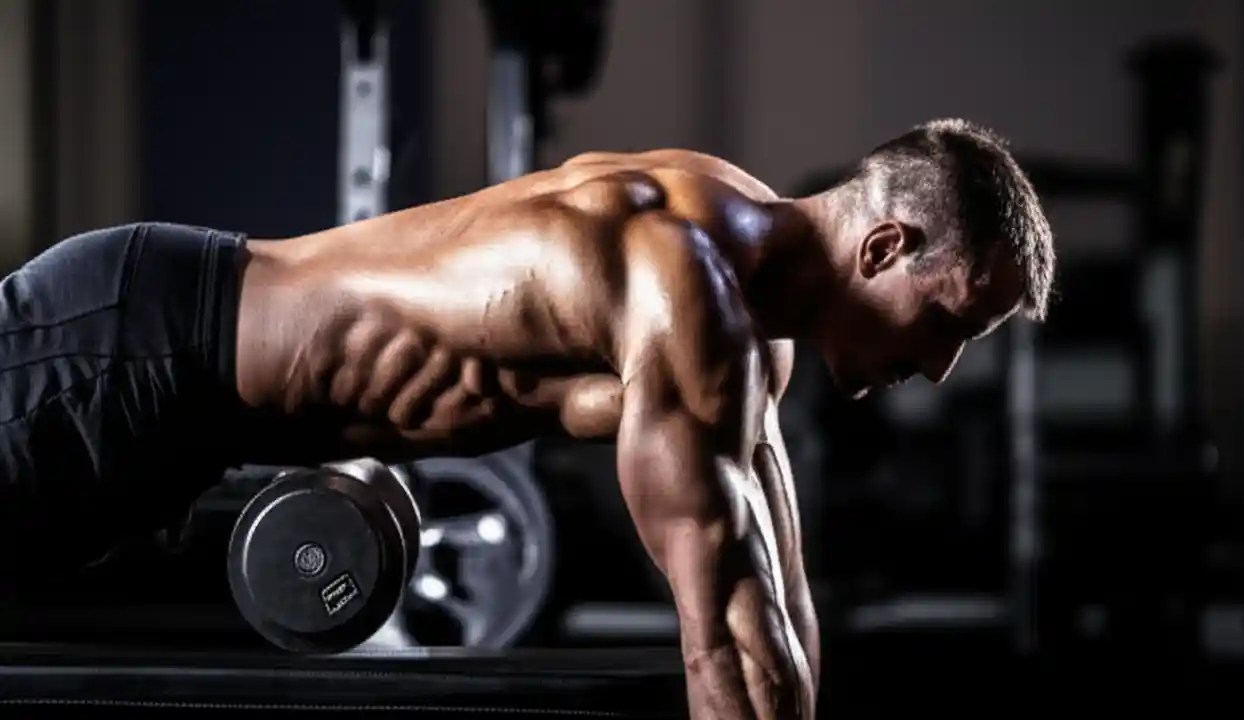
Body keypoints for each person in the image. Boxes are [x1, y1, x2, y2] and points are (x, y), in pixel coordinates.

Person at [0, 117, 1054, 719]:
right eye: (945, 319)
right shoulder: (685, 286)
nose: (938, 364)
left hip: (173, 396)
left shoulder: (748, 299)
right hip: (135, 350)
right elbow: (726, 651)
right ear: (881, 250)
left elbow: (776, 603)